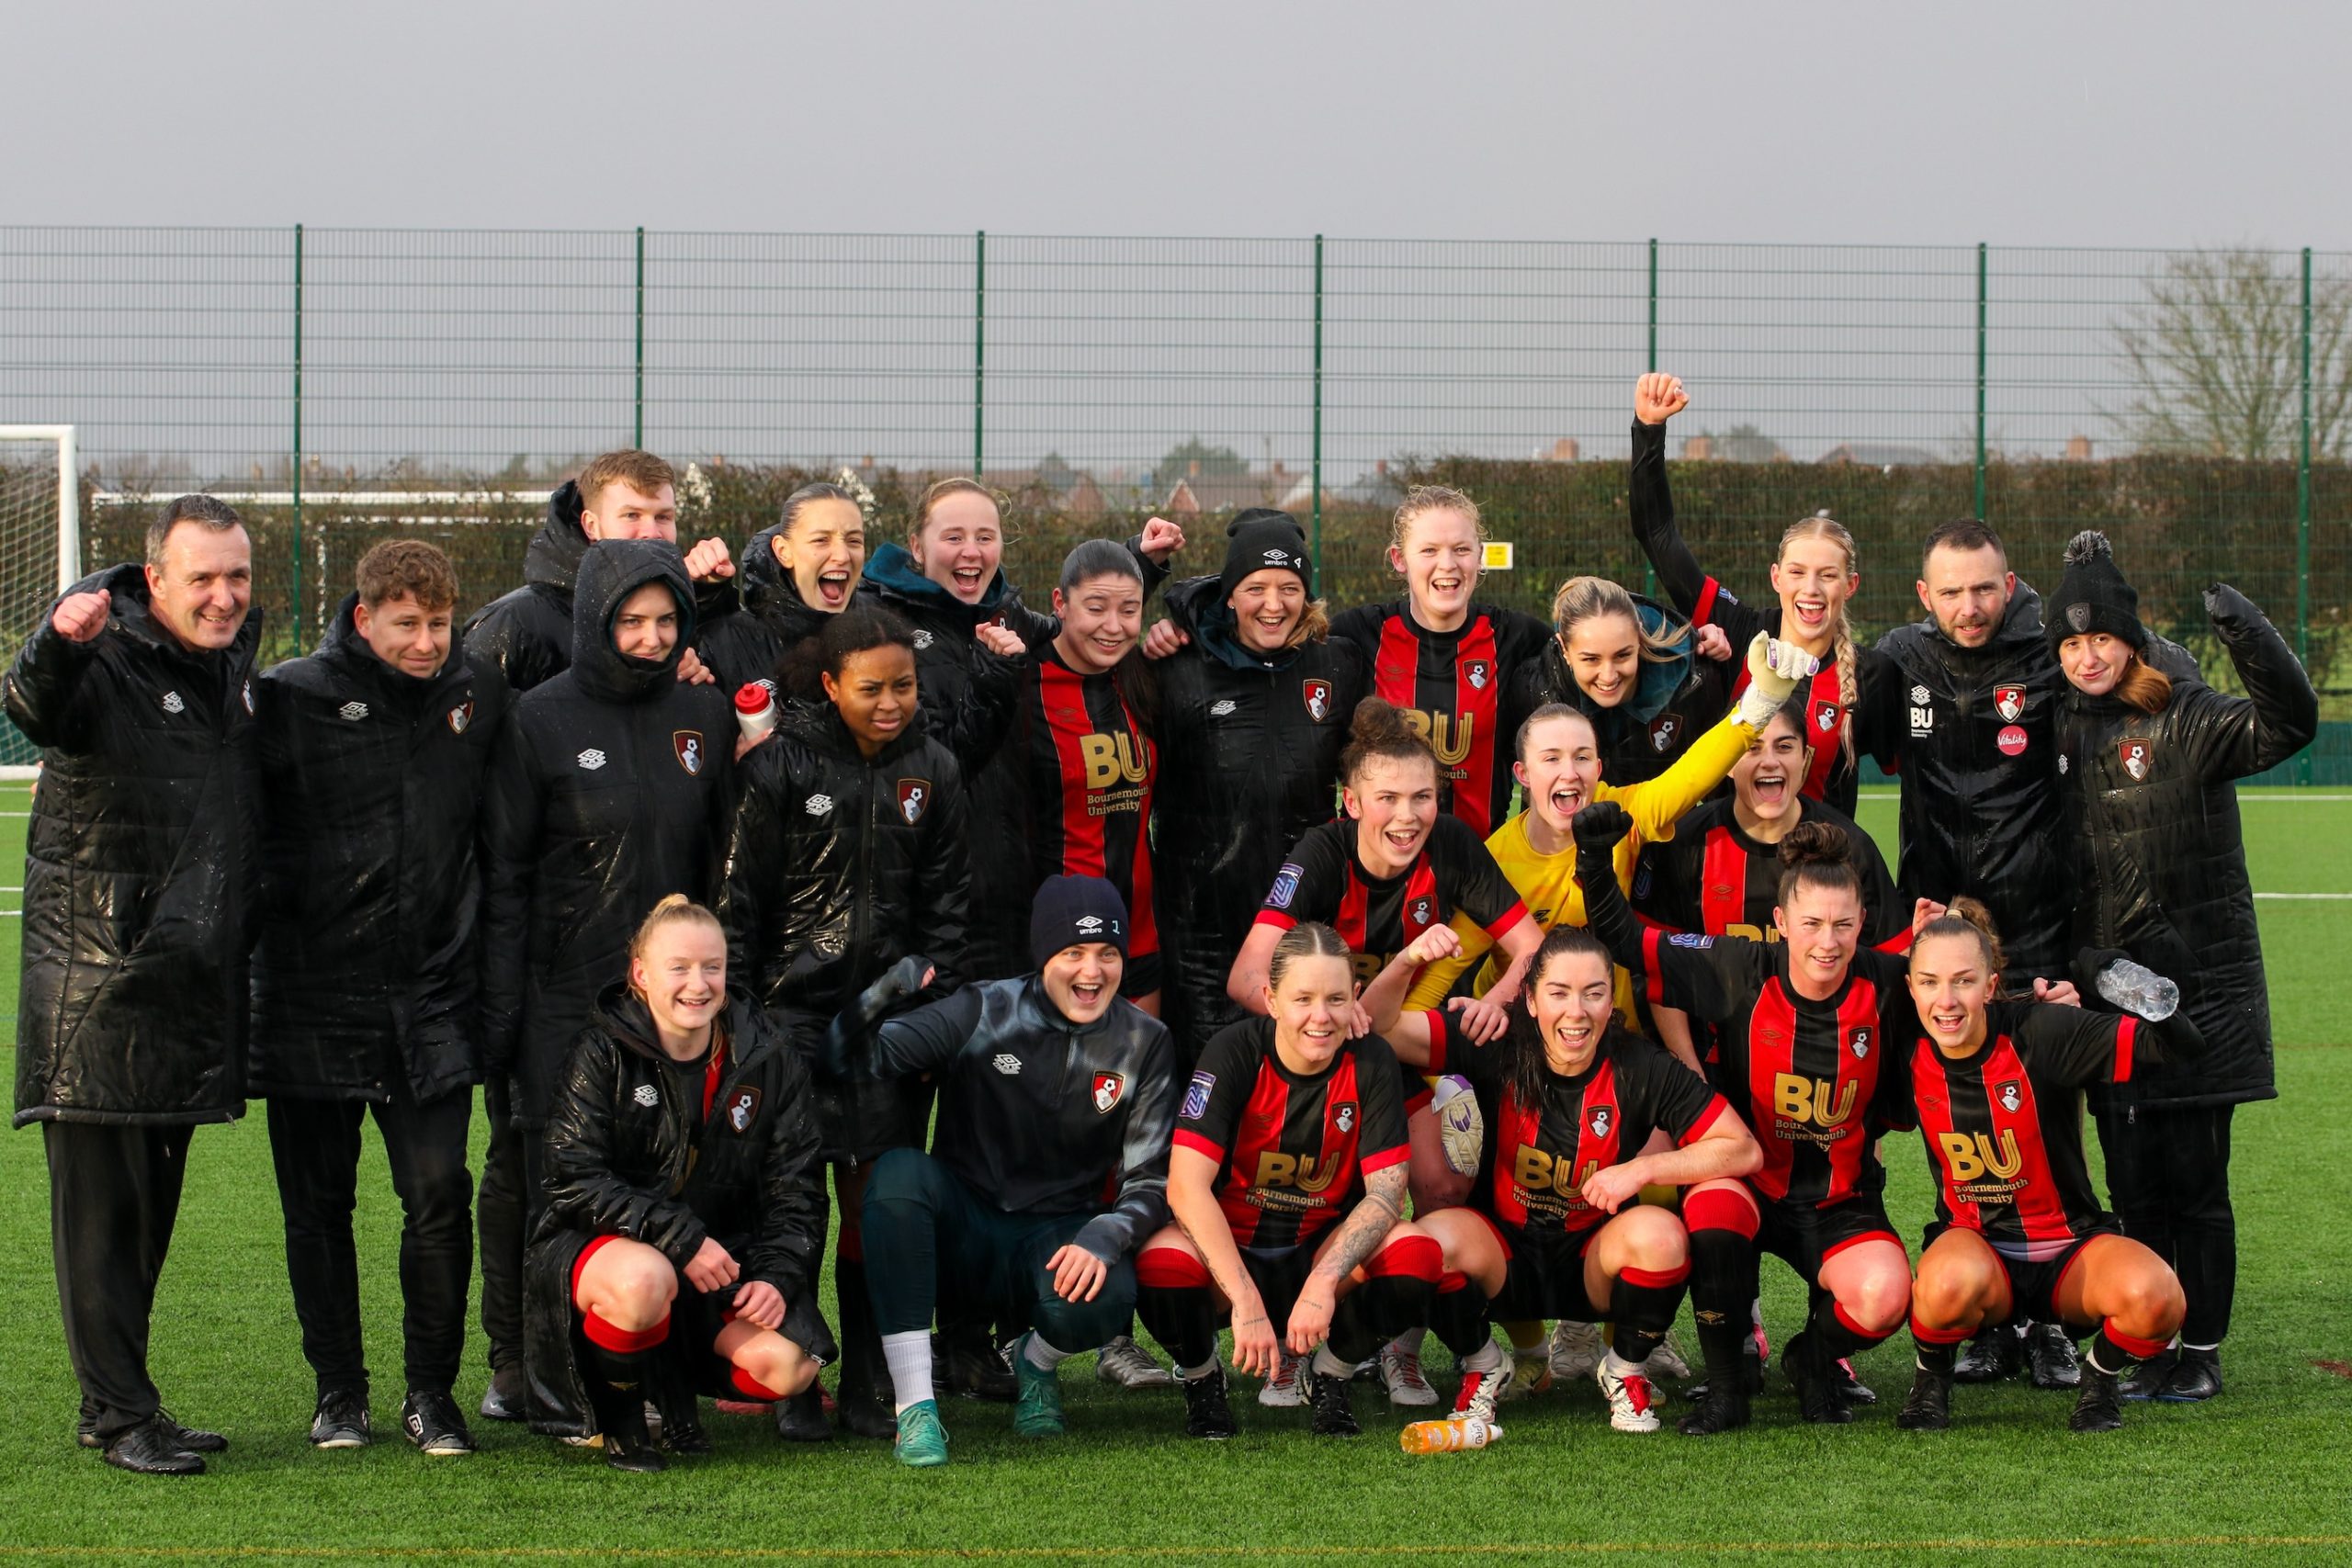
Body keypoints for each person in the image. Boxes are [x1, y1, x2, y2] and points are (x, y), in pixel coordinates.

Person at [5, 494, 261, 1474]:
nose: (224, 595)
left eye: (237, 575)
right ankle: (119, 1418)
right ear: (154, 579)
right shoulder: (104, 655)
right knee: (104, 1228)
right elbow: (33, 704)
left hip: (181, 995)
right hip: (99, 997)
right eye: (202, 577)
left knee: (147, 1223)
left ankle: (119, 1400)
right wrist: (57, 645)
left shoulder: (228, 667)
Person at [249, 540, 506, 1456]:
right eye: (409, 625)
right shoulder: (292, 697)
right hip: (309, 997)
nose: (430, 642)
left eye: (440, 623)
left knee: (438, 1192)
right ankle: (338, 1394)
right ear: (364, 618)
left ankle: (431, 1395)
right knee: (316, 1205)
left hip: (431, 995)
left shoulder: (474, 696)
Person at [2047, 532, 2316, 1402]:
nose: (2088, 656)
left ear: (2131, 640)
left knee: (2198, 1184)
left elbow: (2290, 723)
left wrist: (2242, 625)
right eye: (2072, 640)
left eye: (2103, 637)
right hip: (2111, 998)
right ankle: (2148, 1338)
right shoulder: (2057, 720)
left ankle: (2201, 1348)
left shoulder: (2189, 715)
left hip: (2204, 994)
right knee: (2135, 1187)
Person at [477, 540, 736, 1419]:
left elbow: (722, 867)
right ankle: (519, 1363)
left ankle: (652, 1370)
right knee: (534, 1179)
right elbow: (505, 876)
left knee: (666, 1178)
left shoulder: (705, 715)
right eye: (631, 620)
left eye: (667, 620)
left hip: (675, 1007)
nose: (651, 637)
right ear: (594, 618)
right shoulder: (537, 719)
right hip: (563, 999)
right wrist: (504, 1014)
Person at [1223, 695, 1535, 1408]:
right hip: (1318, 1060)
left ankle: (1398, 1344)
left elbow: (1534, 952)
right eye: (1388, 797)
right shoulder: (1321, 855)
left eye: (1422, 796)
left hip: (1391, 1054)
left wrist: (1501, 998)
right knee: (1311, 1189)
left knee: (1443, 1187)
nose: (1407, 815)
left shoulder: (1452, 845)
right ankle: (1291, 1344)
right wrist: (1328, 1022)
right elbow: (1247, 979)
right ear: (1353, 800)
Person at [1577, 807, 1928, 1432]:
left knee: (1885, 1298)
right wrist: (1596, 863)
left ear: (1863, 924)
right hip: (1748, 1184)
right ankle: (1729, 1386)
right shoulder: (1738, 965)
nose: (1828, 941)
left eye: (1844, 925)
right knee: (1709, 1209)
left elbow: (1971, 998)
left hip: (1839, 1199)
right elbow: (1629, 939)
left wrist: (2042, 994)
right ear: (1781, 923)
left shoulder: (1892, 983)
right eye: (1813, 923)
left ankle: (1812, 1362)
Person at [715, 605, 973, 1442]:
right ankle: (794, 1377)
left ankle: (870, 1379)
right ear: (831, 685)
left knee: (876, 1203)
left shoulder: (934, 768)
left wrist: (930, 1021)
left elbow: (950, 916)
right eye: (871, 687)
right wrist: (745, 1024)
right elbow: (738, 907)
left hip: (886, 1032)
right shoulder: (779, 766)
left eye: (904, 684)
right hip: (786, 1022)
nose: (891, 700)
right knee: (789, 1205)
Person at [820, 876, 1178, 1466]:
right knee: (898, 1179)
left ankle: (1035, 1367)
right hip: (963, 1231)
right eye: (1074, 953)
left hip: (1053, 1238)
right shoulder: (983, 1008)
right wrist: (883, 993)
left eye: (1108, 954)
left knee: (1106, 1293)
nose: (1092, 972)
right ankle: (916, 1409)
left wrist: (1102, 1236)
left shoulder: (1146, 1040)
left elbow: (1152, 1178)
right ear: (1044, 955)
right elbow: (842, 1060)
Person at [1405, 926, 1762, 1435]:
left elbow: (1742, 1147)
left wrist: (1640, 1169)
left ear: (1610, 998)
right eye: (1559, 993)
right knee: (1425, 1244)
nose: (1577, 1012)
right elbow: (1380, 1029)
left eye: (1594, 993)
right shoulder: (1495, 1038)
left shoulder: (1640, 1063)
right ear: (1529, 1000)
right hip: (1504, 1257)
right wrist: (1406, 963)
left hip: (1593, 1261)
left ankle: (1624, 1369)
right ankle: (1485, 1364)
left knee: (1661, 1235)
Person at [526, 897, 833, 1472]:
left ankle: (667, 1384)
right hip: (606, 1250)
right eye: (680, 968)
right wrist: (679, 1237)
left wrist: (776, 1275)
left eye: (711, 967)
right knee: (646, 1278)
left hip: (717, 1263)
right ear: (641, 975)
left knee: (790, 1365)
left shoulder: (769, 1058)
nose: (698, 985)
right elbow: (571, 1177)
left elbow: (800, 1190)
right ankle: (624, 1421)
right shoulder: (600, 1051)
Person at [1894, 902, 2200, 1432]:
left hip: (2071, 1252)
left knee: (2158, 1299)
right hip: (1979, 1247)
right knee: (1942, 1286)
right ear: (1911, 987)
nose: (1946, 1000)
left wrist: (2122, 982)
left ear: (1990, 986)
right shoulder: (1905, 1047)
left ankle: (2098, 1381)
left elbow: (2179, 1048)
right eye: (1930, 982)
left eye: (1964, 981)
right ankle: (1930, 1382)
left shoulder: (2043, 1031)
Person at [1135, 923, 1442, 1439]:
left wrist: (1324, 1281)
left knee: (1418, 1254)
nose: (1321, 1017)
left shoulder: (1371, 1060)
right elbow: (1186, 1187)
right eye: (1303, 999)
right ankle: (1202, 1381)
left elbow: (1388, 1193)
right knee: (1160, 1263)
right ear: (1271, 1000)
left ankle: (1331, 1375)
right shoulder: (1231, 1052)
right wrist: (1246, 1299)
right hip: (1230, 1254)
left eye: (1336, 999)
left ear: (1356, 999)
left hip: (1320, 1254)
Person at [1148, 511, 1369, 1062]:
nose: (1274, 604)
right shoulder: (1176, 668)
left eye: (1289, 588)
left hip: (1301, 918)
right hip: (1200, 928)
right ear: (1229, 594)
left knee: (1297, 1079)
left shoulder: (1336, 665)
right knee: (1207, 1086)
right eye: (1256, 588)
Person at [1625, 373, 1896, 815]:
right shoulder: (1737, 630)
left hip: (1817, 874)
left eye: (1827, 576)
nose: (1810, 589)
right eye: (1797, 572)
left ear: (1850, 586)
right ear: (1776, 577)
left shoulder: (1873, 674)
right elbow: (1656, 535)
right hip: (1726, 869)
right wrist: (1648, 430)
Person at [1329, 485, 1555, 837]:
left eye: (1461, 549)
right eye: (1429, 550)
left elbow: (1586, 659)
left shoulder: (1517, 638)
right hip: (1375, 871)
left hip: (1479, 865)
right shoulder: (1357, 635)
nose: (1447, 564)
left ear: (1479, 557)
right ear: (1399, 559)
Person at [461, 449, 734, 695]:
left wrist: (708, 599)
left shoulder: (689, 604)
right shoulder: (516, 623)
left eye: (663, 517)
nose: (652, 532)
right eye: (632, 515)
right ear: (591, 525)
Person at [1521, 574, 1732, 787]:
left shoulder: (1695, 683)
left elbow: (1718, 797)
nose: (1609, 675)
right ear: (1564, 649)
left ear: (1638, 636)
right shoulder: (1536, 690)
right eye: (1591, 659)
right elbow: (1536, 806)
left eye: (1622, 656)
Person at [696, 480, 871, 694]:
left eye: (854, 541)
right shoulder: (728, 643)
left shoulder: (882, 634)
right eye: (821, 540)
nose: (843, 556)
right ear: (783, 551)